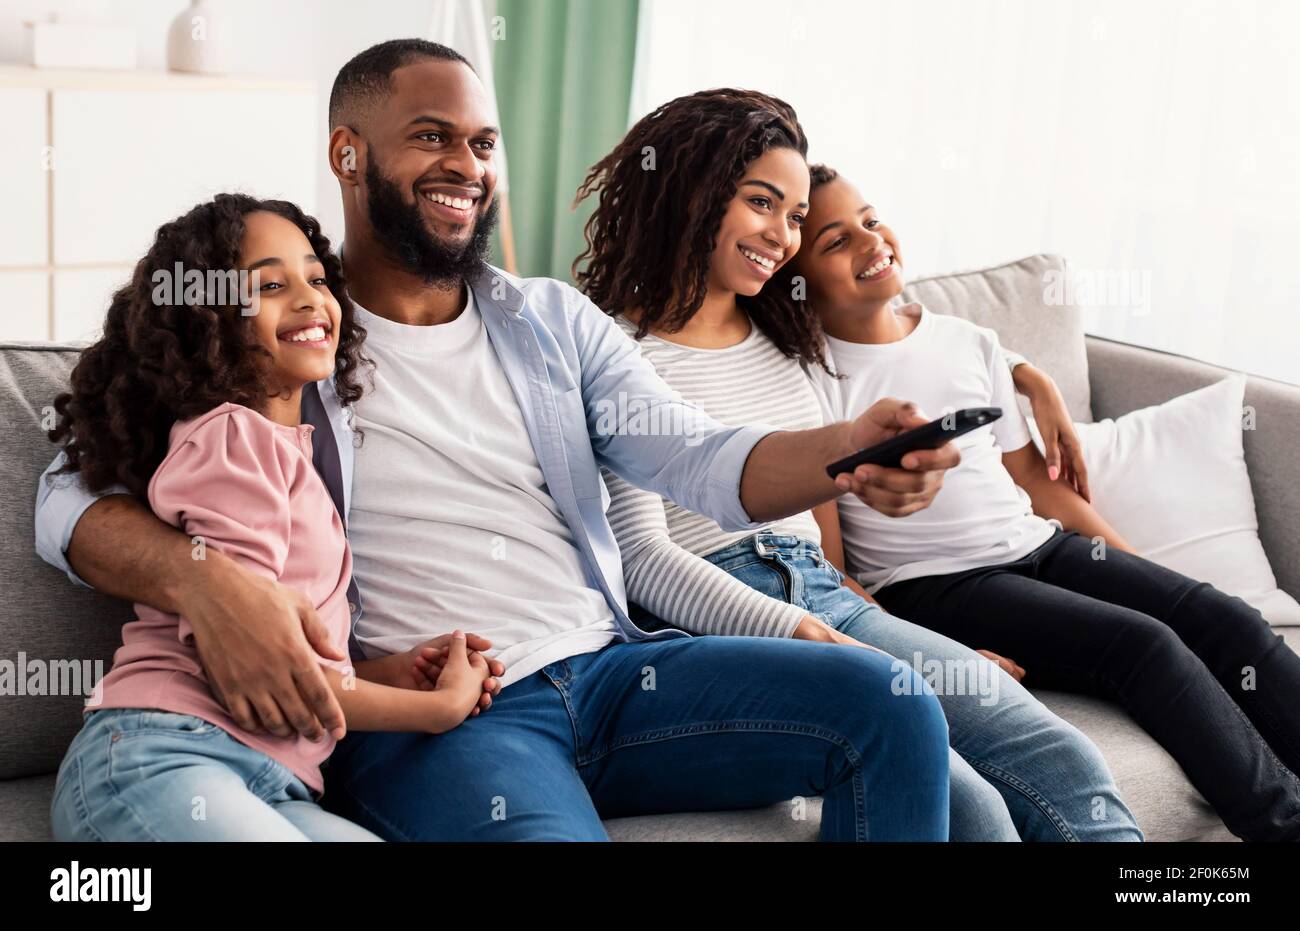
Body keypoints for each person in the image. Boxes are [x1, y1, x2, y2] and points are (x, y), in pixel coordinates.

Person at [35, 41, 959, 841]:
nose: (466, 165)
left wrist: (847, 450)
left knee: (893, 704)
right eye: (431, 136)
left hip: (614, 672)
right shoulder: (276, 343)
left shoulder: (550, 319)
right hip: (452, 719)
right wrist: (204, 579)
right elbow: (67, 495)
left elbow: (703, 461)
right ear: (348, 156)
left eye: (482, 143)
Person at [571, 88, 1140, 841]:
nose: (783, 236)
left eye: (797, 217)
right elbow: (642, 560)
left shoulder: (787, 335)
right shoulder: (614, 351)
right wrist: (815, 634)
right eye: (762, 203)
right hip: (724, 616)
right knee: (974, 811)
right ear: (692, 191)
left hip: (835, 599)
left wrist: (1026, 371)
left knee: (1059, 754)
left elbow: (913, 342)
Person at [792, 163, 1300, 841]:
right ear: (797, 288)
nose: (870, 240)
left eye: (871, 218)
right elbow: (830, 567)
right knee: (1144, 646)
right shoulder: (813, 384)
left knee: (1221, 616)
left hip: (1038, 544)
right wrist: (935, 650)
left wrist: (1149, 577)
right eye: (836, 240)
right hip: (937, 588)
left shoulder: (967, 340)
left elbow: (1036, 485)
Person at [47, 194, 499, 841]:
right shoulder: (234, 440)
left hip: (275, 781)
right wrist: (436, 707)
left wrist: (385, 671)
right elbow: (264, 664)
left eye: (317, 278)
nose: (312, 298)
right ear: (207, 320)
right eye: (271, 285)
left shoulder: (291, 456)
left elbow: (292, 661)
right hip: (164, 757)